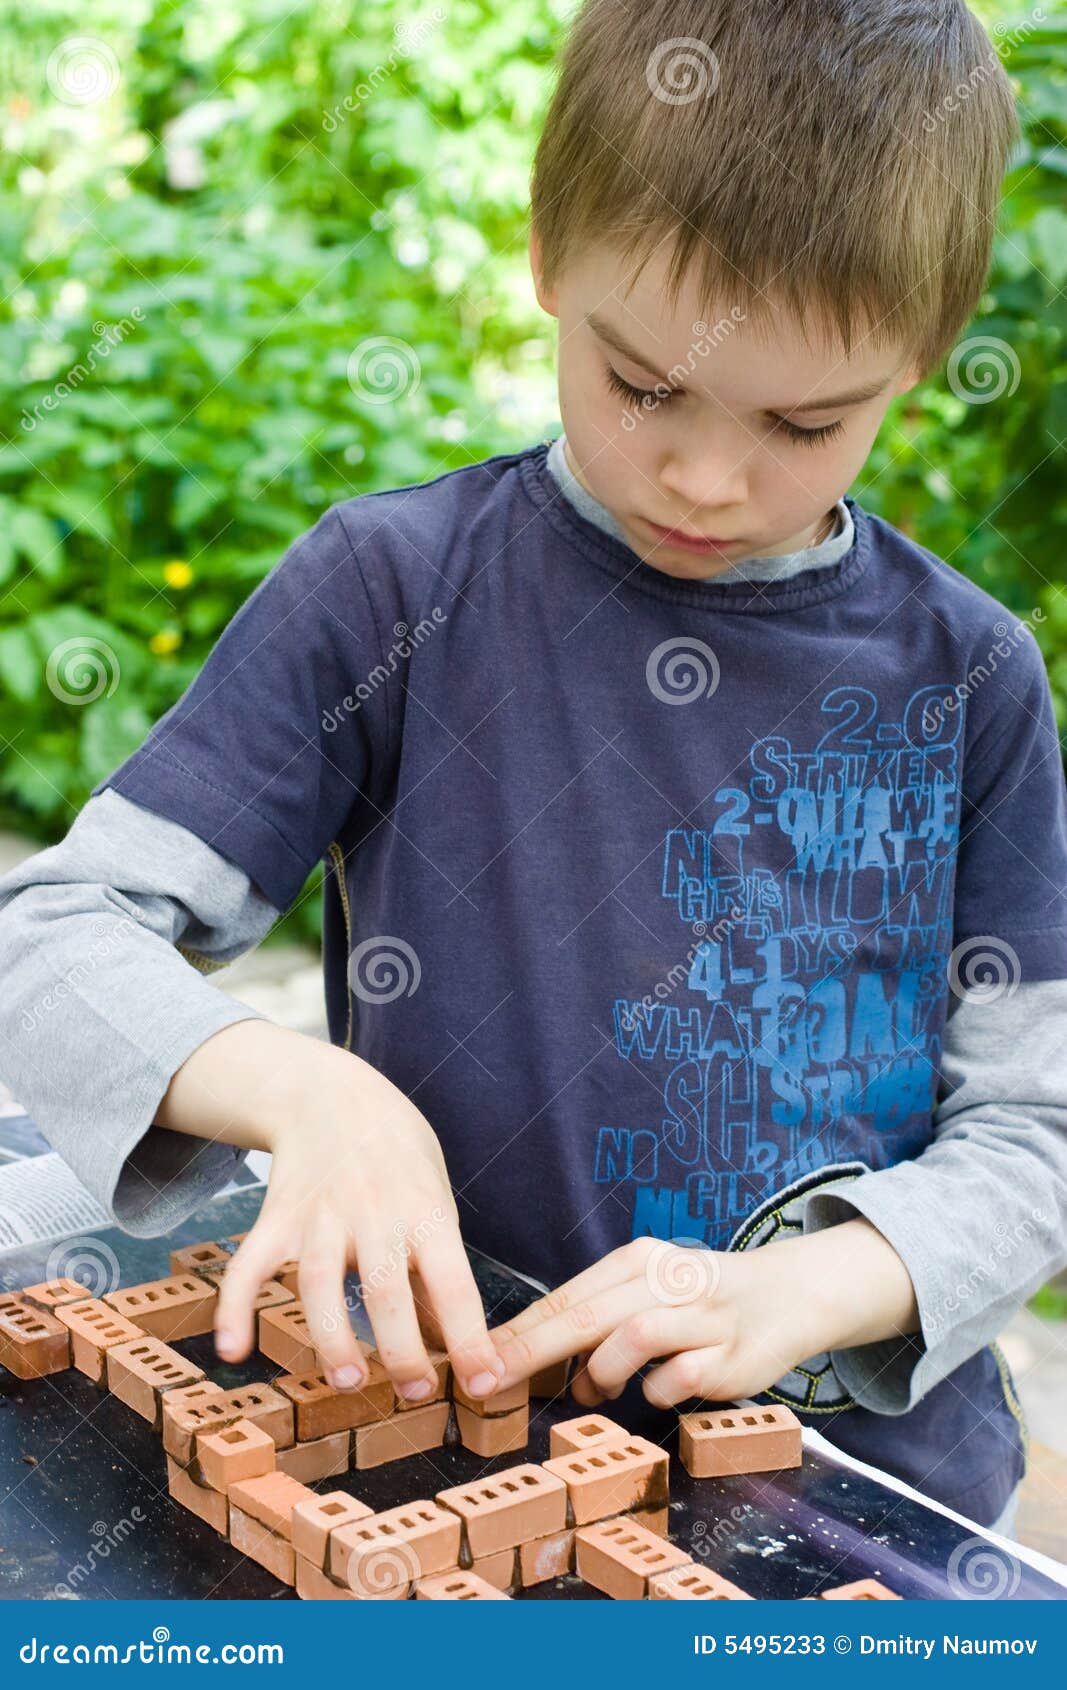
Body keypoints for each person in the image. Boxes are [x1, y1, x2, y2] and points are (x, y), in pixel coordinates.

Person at [1, 1, 1064, 1538]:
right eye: (643, 385)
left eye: (807, 422)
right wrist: (307, 1089)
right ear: (548, 264)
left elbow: (1040, 1126)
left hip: (866, 1505)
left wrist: (812, 1284)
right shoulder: (393, 594)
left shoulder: (973, 679)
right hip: (454, 1460)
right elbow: (56, 933)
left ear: (923, 358)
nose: (707, 475)